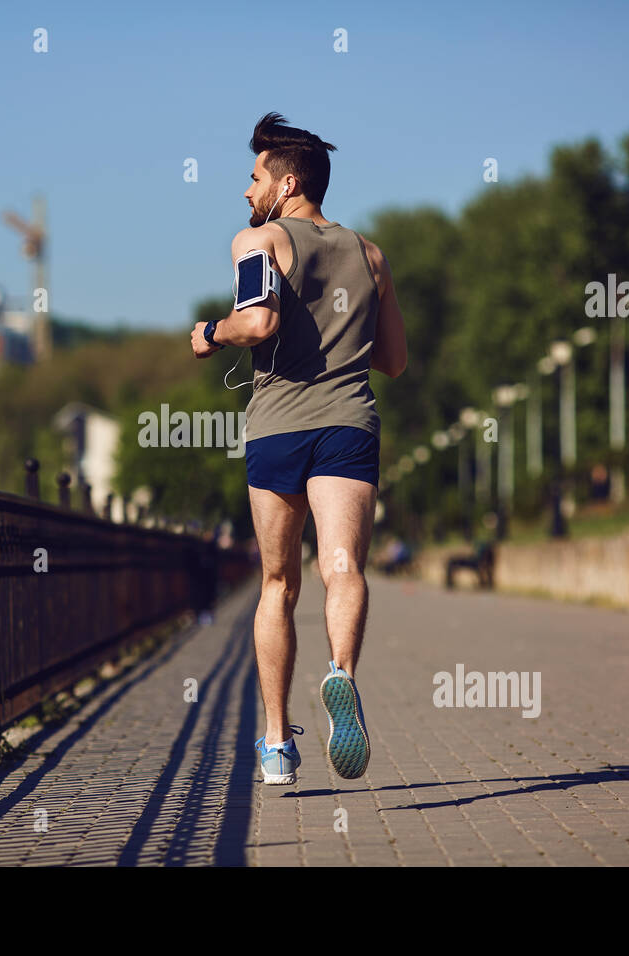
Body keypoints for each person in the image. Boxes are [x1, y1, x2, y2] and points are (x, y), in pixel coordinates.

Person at [190, 112, 408, 784]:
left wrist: (210, 332)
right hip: (347, 426)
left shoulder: (258, 239)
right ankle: (340, 672)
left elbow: (258, 321)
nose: (246, 189)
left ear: (285, 184)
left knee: (278, 584)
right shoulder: (371, 255)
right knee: (342, 570)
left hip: (279, 427)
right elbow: (395, 361)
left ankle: (277, 744)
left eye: (255, 176)